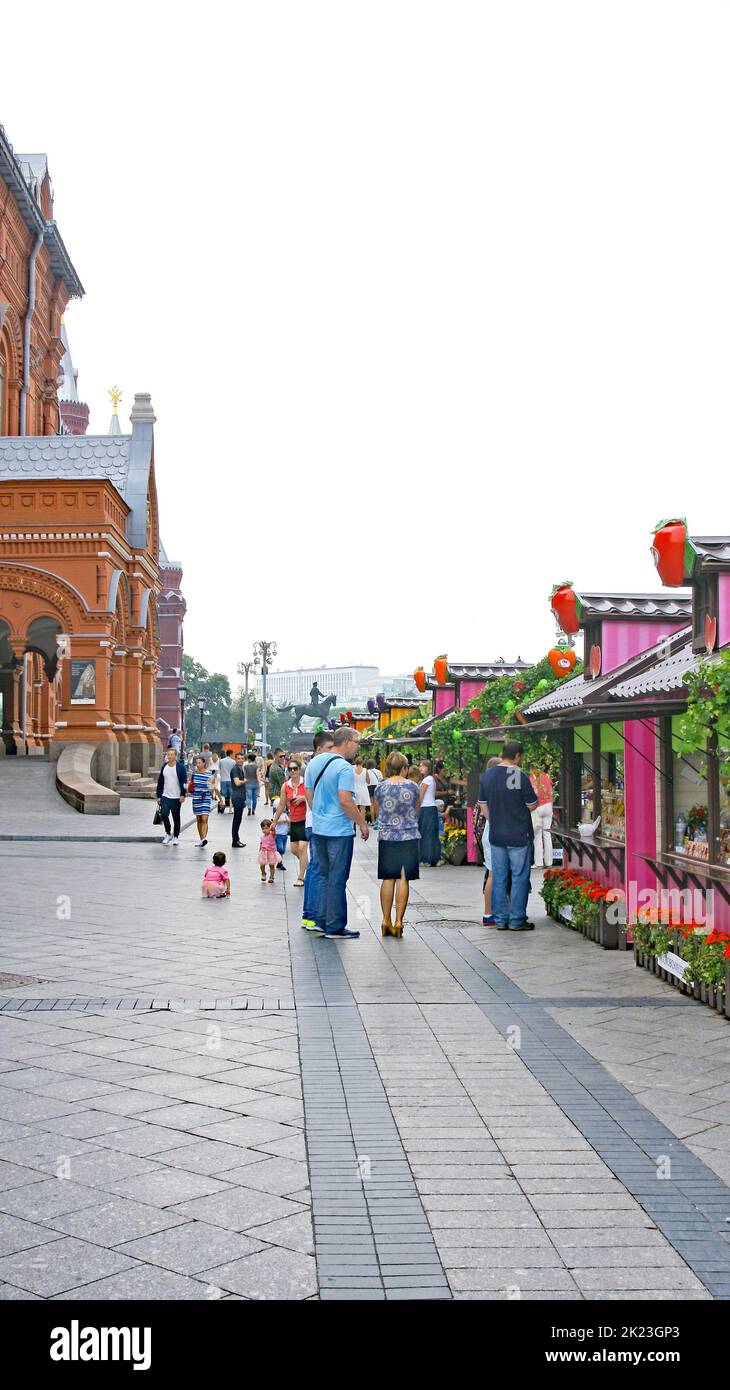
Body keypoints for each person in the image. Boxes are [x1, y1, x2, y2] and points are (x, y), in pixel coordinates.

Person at [304, 725, 368, 940]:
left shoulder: (314, 762)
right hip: (339, 831)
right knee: (338, 877)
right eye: (357, 743)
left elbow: (307, 791)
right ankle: (335, 926)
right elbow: (345, 800)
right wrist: (362, 823)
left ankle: (321, 921)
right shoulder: (343, 768)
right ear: (348, 741)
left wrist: (318, 812)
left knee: (322, 875)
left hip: (319, 828)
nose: (357, 748)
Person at [481, 739, 538, 931]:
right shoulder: (518, 774)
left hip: (497, 835)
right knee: (520, 876)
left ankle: (500, 919)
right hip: (518, 834)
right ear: (517, 756)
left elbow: (482, 803)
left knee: (499, 876)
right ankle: (516, 920)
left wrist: (493, 820)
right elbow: (532, 805)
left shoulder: (489, 774)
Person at [374, 751, 420, 938]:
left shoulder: (381, 787)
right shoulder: (413, 786)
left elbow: (377, 812)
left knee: (388, 878)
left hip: (387, 837)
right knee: (403, 878)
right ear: (404, 768)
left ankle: (386, 920)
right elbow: (417, 810)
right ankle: (399, 922)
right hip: (408, 837)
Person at [301, 729, 334, 930]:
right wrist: (319, 814)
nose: (332, 751)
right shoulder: (316, 764)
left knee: (315, 868)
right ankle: (313, 915)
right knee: (317, 869)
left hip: (313, 822)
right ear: (319, 748)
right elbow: (308, 792)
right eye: (329, 748)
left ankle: (309, 913)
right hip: (316, 823)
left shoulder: (314, 765)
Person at [272, 758, 308, 886]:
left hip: (306, 819)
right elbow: (281, 805)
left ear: (299, 770)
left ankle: (301, 877)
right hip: (294, 819)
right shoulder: (285, 786)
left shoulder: (306, 782)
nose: (292, 771)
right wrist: (274, 821)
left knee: (303, 847)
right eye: (290, 769)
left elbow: (315, 796)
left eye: (295, 769)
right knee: (294, 850)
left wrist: (303, 798)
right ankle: (307, 865)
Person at [477, 756, 501, 925]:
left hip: (489, 833)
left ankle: (489, 914)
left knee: (493, 874)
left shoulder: (486, 786)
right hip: (496, 833)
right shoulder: (498, 788)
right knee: (495, 875)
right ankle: (490, 913)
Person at [156, 746, 187, 845]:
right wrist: (159, 795)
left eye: (171, 754)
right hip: (165, 795)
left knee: (176, 817)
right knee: (164, 814)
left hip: (176, 797)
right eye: (168, 754)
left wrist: (183, 794)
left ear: (175, 756)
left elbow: (185, 782)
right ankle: (168, 833)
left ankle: (176, 836)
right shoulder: (164, 767)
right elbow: (160, 781)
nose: (169, 756)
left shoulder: (180, 767)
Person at [417, 759, 441, 866]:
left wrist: (416, 810)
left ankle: (426, 858)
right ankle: (433, 857)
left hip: (426, 808)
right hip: (430, 807)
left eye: (423, 766)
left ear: (428, 768)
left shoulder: (427, 779)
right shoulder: (430, 779)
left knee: (426, 833)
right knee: (430, 833)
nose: (420, 768)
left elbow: (420, 795)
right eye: (420, 766)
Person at [530, 766, 554, 868]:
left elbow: (533, 793)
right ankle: (549, 862)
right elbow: (551, 792)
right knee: (547, 835)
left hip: (538, 807)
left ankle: (539, 863)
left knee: (537, 836)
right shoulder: (547, 777)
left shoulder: (532, 778)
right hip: (548, 806)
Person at [191, 755, 213, 847]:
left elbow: (212, 786)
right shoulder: (194, 774)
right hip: (196, 798)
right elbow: (191, 785)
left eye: (200, 763)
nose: (198, 764)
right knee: (199, 819)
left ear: (204, 763)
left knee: (204, 818)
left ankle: (204, 838)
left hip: (205, 797)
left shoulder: (209, 774)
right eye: (197, 763)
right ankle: (201, 839)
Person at [230, 752, 247, 848]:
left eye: (242, 758)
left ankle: (236, 839)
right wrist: (245, 780)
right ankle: (235, 840)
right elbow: (237, 782)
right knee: (236, 820)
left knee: (238, 820)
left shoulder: (240, 769)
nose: (240, 760)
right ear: (235, 759)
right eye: (239, 758)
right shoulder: (235, 769)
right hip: (237, 797)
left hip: (240, 797)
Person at [257, 818, 280, 883]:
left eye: (266, 828)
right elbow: (261, 843)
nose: (264, 830)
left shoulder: (272, 835)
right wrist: (260, 850)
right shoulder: (262, 837)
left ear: (270, 828)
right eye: (263, 829)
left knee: (271, 865)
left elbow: (274, 832)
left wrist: (273, 827)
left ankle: (271, 877)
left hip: (271, 852)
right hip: (263, 852)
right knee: (262, 865)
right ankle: (263, 873)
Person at [353, 756, 372, 824]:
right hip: (363, 789)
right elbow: (368, 781)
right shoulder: (365, 770)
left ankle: (355, 821)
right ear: (362, 762)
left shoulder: (352, 769)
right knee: (362, 808)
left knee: (355, 807)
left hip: (354, 789)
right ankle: (362, 822)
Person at [272, 796, 289, 868]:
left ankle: (280, 862)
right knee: (280, 849)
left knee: (283, 850)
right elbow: (276, 821)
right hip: (278, 834)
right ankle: (278, 860)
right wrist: (285, 821)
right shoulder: (276, 815)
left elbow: (289, 821)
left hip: (284, 834)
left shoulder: (285, 815)